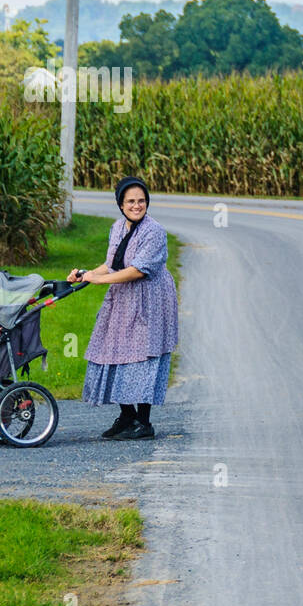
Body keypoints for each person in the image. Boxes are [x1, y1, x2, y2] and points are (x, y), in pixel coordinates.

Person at [70, 176, 179, 440]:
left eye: (141, 201)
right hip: (122, 297)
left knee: (142, 354)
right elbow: (112, 263)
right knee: (113, 348)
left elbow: (137, 270)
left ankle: (144, 422)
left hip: (150, 300)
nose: (137, 205)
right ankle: (127, 416)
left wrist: (100, 280)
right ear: (120, 204)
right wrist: (85, 274)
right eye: (131, 201)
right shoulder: (117, 227)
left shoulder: (155, 232)